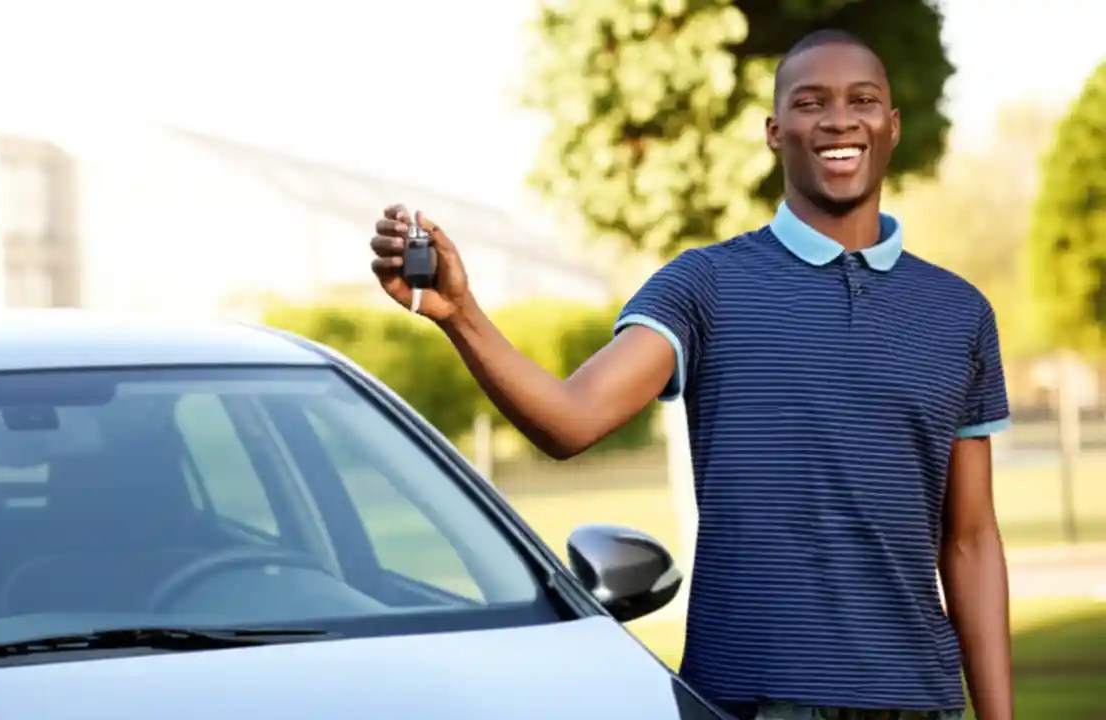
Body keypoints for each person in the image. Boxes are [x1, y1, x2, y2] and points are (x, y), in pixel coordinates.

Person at [369, 28, 1012, 720]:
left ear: (891, 125)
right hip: (750, 701)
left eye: (862, 100)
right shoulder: (706, 286)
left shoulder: (958, 313)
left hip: (920, 701)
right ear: (774, 131)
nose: (837, 120)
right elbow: (569, 419)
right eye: (809, 102)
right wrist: (459, 311)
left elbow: (970, 540)